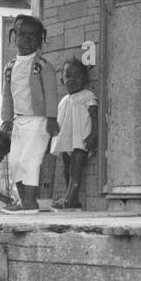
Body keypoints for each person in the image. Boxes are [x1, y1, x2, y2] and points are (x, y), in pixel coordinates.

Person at [0, 14, 59, 213]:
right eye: (23, 35)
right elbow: (7, 96)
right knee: (15, 161)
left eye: (33, 36)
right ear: (15, 37)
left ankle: (31, 201)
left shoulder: (42, 66)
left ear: (40, 39)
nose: (27, 40)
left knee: (29, 160)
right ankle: (23, 200)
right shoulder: (10, 67)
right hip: (19, 121)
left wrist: (51, 118)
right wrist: (6, 119)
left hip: (39, 120)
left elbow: (51, 93)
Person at [50, 59, 99, 210]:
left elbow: (94, 117)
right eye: (68, 76)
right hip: (67, 141)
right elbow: (60, 121)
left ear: (85, 78)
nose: (72, 79)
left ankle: (69, 199)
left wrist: (93, 136)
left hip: (81, 139)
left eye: (77, 75)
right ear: (62, 80)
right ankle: (73, 199)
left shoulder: (88, 96)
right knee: (66, 169)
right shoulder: (64, 100)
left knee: (75, 168)